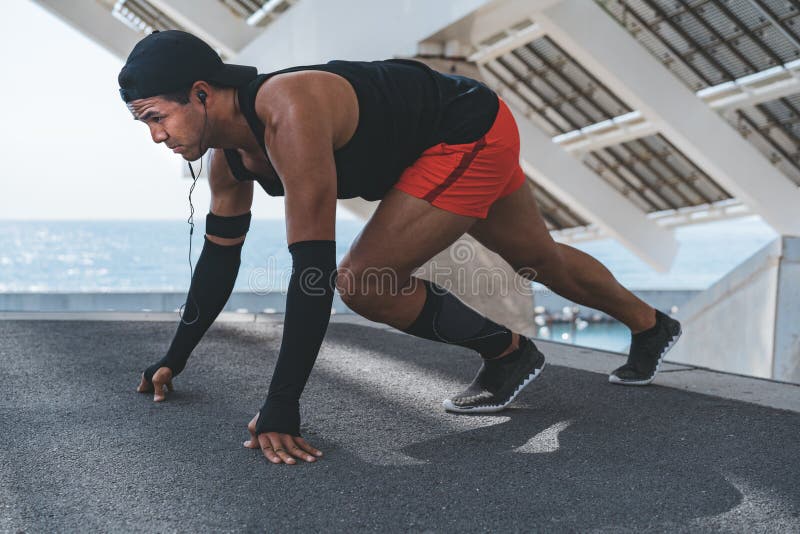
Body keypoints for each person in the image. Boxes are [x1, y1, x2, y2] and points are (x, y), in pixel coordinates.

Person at [121, 30, 682, 465]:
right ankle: (650, 325)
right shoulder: (228, 162)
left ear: (201, 93)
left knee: (361, 281)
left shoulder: (288, 112)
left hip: (463, 130)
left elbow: (310, 272)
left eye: (156, 117)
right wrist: (176, 355)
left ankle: (509, 355)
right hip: (442, 139)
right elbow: (219, 261)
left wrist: (283, 403)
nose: (155, 135)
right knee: (538, 259)